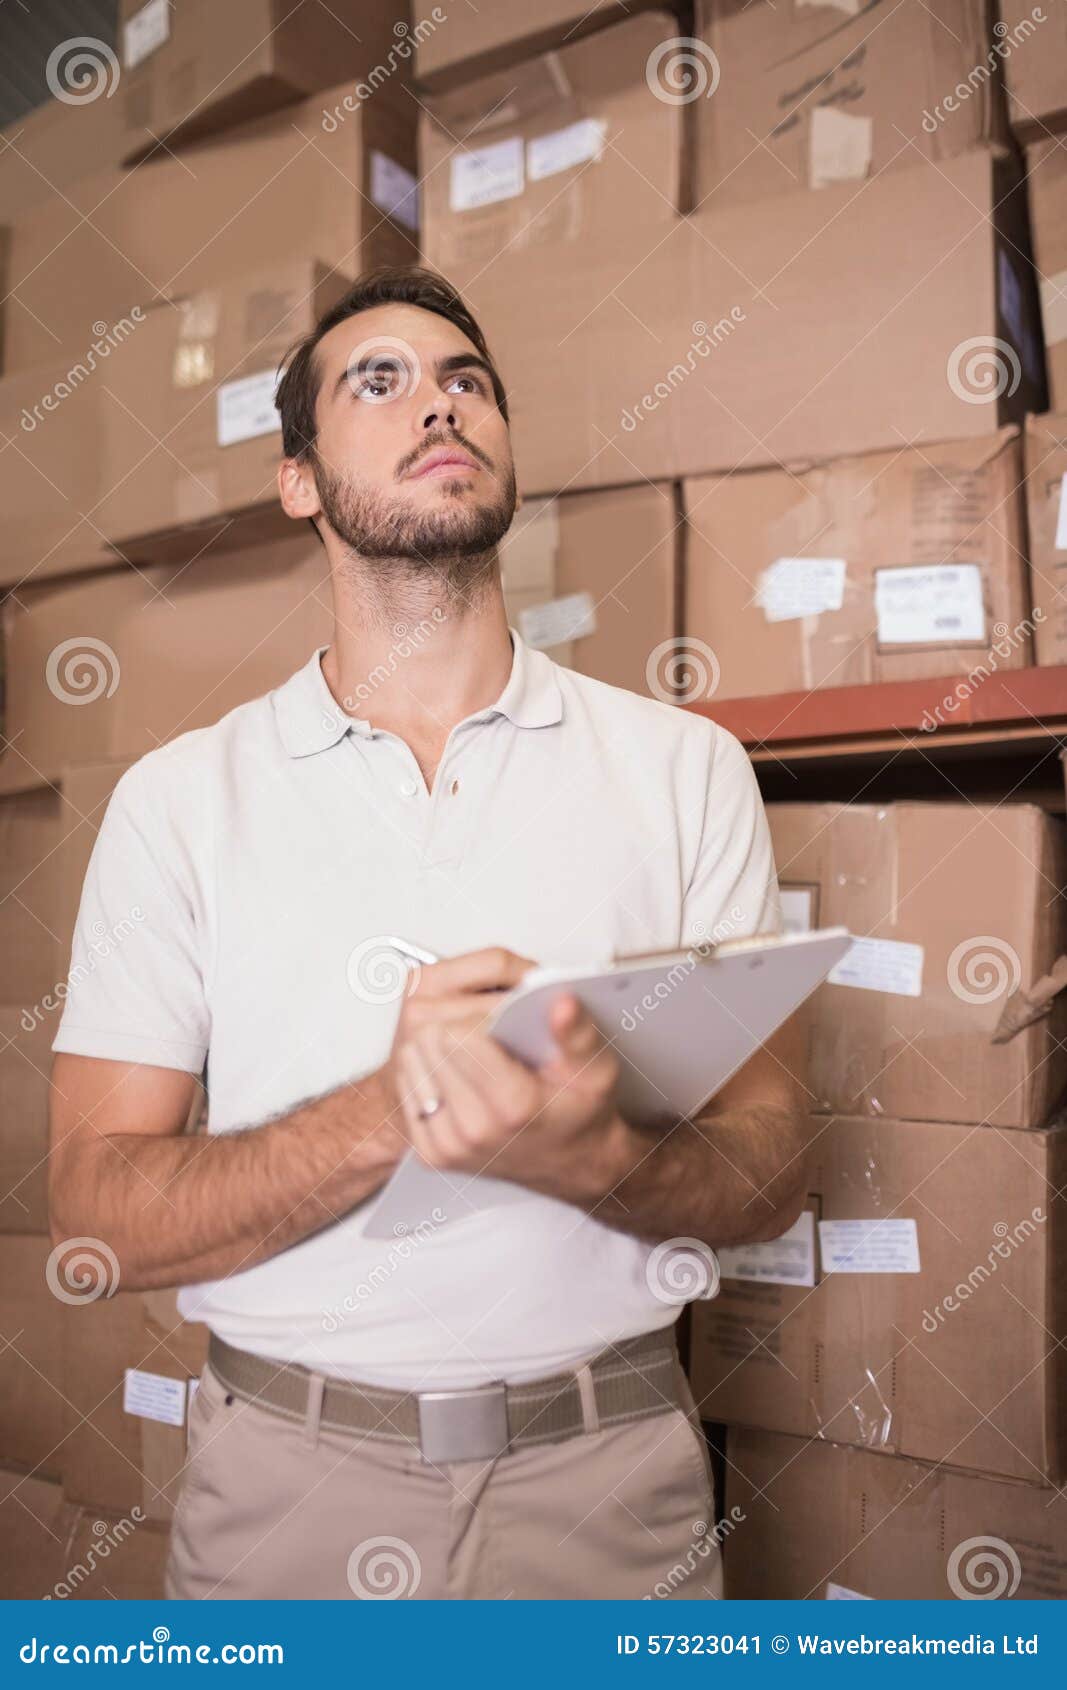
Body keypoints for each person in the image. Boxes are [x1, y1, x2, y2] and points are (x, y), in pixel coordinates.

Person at [48, 266, 807, 1602]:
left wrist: (590, 1156)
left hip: (611, 1486)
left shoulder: (686, 769)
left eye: (468, 380)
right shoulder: (180, 802)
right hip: (289, 1492)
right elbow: (97, 1213)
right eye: (378, 381)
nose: (440, 403)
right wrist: (385, 1113)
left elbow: (765, 1170)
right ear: (299, 479)